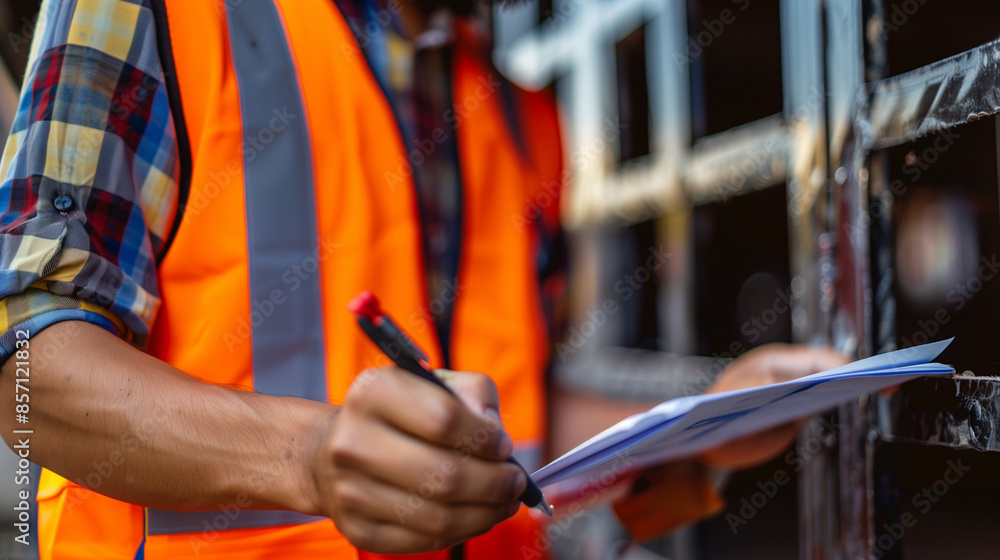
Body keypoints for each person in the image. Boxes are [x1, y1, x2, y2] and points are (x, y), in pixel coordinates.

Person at [0, 0, 847, 558]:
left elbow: (509, 416)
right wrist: (313, 460)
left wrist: (710, 422)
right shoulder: (153, 13)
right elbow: (27, 378)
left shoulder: (523, 122)